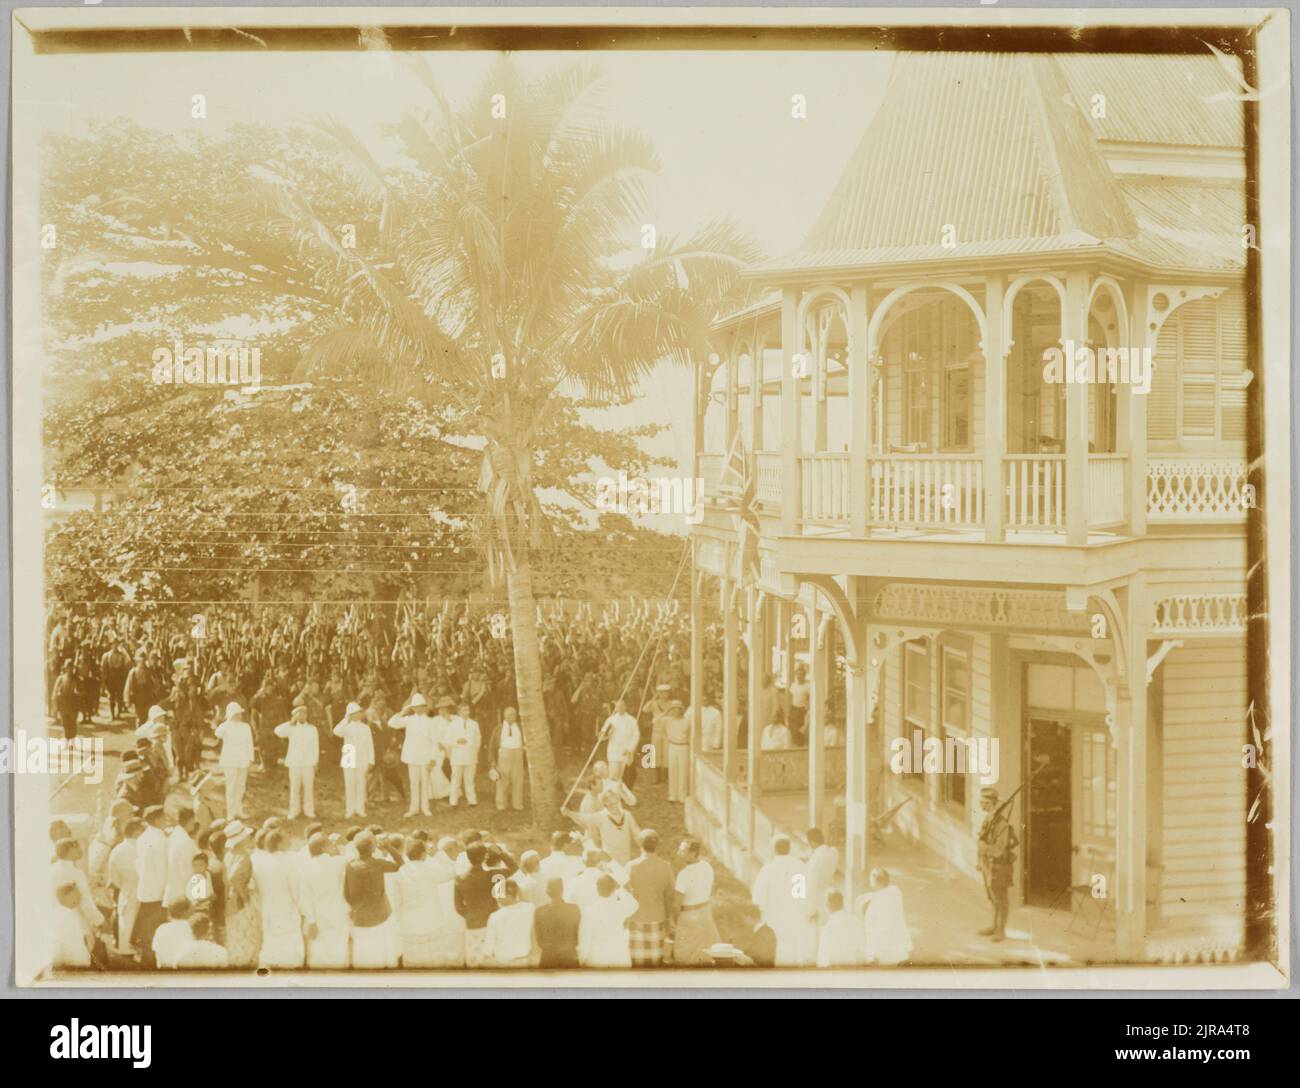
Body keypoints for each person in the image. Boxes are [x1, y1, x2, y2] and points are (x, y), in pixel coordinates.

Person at [750, 836, 816, 967]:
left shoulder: (768, 869)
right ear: (789, 849)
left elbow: (758, 898)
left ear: (774, 850)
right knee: (793, 949)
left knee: (777, 948)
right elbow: (801, 894)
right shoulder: (799, 867)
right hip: (794, 915)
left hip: (774, 916)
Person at [343, 831, 399, 969]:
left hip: (360, 918)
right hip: (380, 917)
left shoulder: (350, 866)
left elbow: (347, 893)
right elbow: (400, 864)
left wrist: (356, 907)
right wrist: (389, 847)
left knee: (363, 955)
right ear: (374, 848)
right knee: (381, 954)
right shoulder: (378, 864)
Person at [253, 830, 306, 968]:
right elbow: (296, 890)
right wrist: (302, 908)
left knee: (272, 942)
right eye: (286, 839)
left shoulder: (260, 862)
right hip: (286, 908)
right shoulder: (288, 862)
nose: (289, 842)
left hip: (268, 909)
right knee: (289, 942)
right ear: (279, 844)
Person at [298, 833, 351, 969]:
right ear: (323, 848)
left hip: (318, 915)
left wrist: (311, 921)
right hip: (337, 914)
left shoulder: (305, 868)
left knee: (318, 950)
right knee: (339, 950)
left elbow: (305, 898)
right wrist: (344, 843)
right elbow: (355, 856)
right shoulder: (337, 862)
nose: (333, 846)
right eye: (329, 844)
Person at [625, 830, 675, 967]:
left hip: (635, 918)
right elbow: (670, 895)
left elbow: (623, 894)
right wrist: (668, 917)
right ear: (657, 845)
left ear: (640, 845)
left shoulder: (631, 866)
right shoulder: (666, 866)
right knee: (655, 962)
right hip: (657, 917)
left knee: (636, 961)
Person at [976, 786, 1017, 942]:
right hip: (988, 865)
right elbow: (981, 839)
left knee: (1001, 899)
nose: (980, 805)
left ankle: (1001, 930)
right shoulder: (988, 820)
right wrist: (979, 860)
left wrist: (984, 849)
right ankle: (993, 926)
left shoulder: (1002, 825)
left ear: (991, 803)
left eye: (983, 802)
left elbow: (999, 850)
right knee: (992, 898)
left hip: (999, 866)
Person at [564, 789, 641, 867]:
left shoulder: (627, 815)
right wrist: (569, 813)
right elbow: (584, 819)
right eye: (610, 804)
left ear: (618, 801)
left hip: (625, 855)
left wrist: (644, 846)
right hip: (609, 857)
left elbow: (636, 832)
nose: (614, 806)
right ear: (605, 805)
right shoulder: (601, 816)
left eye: (615, 803)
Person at [672, 839, 720, 965]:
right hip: (705, 913)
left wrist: (674, 921)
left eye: (682, 851)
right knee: (710, 954)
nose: (678, 853)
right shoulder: (707, 866)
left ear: (693, 853)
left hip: (689, 916)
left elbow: (677, 903)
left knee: (685, 956)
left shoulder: (684, 875)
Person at [388, 692, 436, 817]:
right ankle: (413, 808)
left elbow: (434, 741)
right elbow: (391, 723)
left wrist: (432, 757)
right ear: (412, 708)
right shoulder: (409, 720)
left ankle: (425, 807)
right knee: (413, 782)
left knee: (425, 782)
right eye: (415, 707)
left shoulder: (430, 722)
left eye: (421, 706)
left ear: (425, 707)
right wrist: (403, 711)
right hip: (412, 755)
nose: (418, 709)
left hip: (425, 755)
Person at [133, 806, 170, 967]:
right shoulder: (161, 840)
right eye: (164, 817)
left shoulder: (142, 837)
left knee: (146, 928)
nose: (167, 820)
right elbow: (163, 869)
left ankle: (146, 957)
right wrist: (166, 891)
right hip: (157, 892)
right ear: (156, 820)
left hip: (145, 889)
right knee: (154, 930)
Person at [223, 821, 262, 968]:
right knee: (247, 934)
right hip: (240, 901)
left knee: (235, 935)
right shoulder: (244, 856)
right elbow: (234, 877)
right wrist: (245, 897)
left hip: (230, 900)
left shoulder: (229, 854)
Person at [578, 874, 637, 968]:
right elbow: (634, 904)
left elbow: (585, 939)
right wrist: (619, 888)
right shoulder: (620, 906)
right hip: (619, 956)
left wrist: (581, 960)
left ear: (597, 889)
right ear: (613, 889)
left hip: (596, 958)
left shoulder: (590, 910)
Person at [275, 699, 321, 819]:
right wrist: (290, 722)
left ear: (307, 715)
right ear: (295, 715)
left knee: (308, 787)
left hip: (308, 763)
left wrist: (315, 762)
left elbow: (315, 747)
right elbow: (278, 731)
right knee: (295, 787)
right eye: (299, 713)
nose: (302, 715)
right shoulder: (291, 728)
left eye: (304, 713)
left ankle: (309, 810)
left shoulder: (312, 729)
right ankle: (294, 810)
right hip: (294, 762)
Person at [859, 868, 912, 965]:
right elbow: (883, 893)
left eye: (871, 879)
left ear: (875, 882)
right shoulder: (896, 891)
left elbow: (870, 930)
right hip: (900, 948)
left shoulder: (874, 905)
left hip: (884, 951)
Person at [107, 818, 144, 955]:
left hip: (125, 890)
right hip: (142, 889)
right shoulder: (142, 848)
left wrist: (124, 886)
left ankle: (125, 952)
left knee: (125, 923)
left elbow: (113, 877)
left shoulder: (116, 850)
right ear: (137, 831)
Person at [482, 880, 538, 967]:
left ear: (508, 896)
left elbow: (488, 949)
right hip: (524, 961)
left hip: (502, 963)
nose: (497, 898)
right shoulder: (530, 908)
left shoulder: (494, 917)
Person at [334, 702, 374, 819]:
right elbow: (336, 732)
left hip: (362, 758)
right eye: (354, 713)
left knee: (361, 784)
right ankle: (350, 809)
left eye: (359, 713)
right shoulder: (346, 727)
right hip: (349, 757)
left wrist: (371, 760)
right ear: (350, 715)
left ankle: (360, 809)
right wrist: (346, 719)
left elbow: (369, 744)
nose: (357, 715)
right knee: (349, 784)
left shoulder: (366, 728)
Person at [215, 702, 254, 819]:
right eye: (236, 714)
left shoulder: (245, 727)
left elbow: (249, 743)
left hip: (243, 760)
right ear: (231, 715)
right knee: (231, 786)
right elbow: (217, 733)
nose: (239, 716)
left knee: (241, 786)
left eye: (240, 714)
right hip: (230, 761)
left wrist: (251, 758)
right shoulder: (226, 727)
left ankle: (239, 810)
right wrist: (228, 720)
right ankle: (230, 813)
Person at [533, 877, 581, 968]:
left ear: (547, 892)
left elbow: (539, 940)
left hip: (548, 957)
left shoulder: (539, 911)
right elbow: (577, 935)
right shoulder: (574, 909)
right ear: (562, 890)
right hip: (569, 956)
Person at [489, 706, 526, 812]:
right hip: (504, 756)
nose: (512, 717)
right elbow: (492, 746)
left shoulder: (520, 727)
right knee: (502, 781)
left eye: (514, 714)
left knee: (518, 780)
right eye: (509, 714)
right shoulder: (498, 728)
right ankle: (501, 805)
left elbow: (526, 742)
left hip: (518, 756)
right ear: (504, 716)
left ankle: (518, 804)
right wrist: (493, 762)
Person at [445, 700, 481, 807]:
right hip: (457, 756)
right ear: (459, 712)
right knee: (456, 780)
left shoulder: (474, 724)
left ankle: (472, 800)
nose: (467, 712)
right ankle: (453, 802)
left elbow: (478, 739)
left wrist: (475, 751)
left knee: (470, 779)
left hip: (471, 756)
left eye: (468, 710)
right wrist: (457, 741)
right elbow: (446, 740)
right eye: (464, 710)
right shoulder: (453, 724)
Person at [163, 807, 200, 909]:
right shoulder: (185, 841)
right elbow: (187, 871)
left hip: (174, 892)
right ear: (190, 819)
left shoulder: (174, 836)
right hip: (182, 895)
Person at [816, 890, 865, 967]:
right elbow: (864, 953)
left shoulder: (827, 929)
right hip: (856, 973)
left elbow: (823, 961)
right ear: (843, 904)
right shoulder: (857, 923)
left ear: (827, 906)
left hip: (837, 975)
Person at [51, 883, 92, 969]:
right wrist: (84, 959)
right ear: (68, 897)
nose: (80, 897)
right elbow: (75, 944)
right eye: (77, 894)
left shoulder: (57, 913)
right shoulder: (70, 915)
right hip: (72, 962)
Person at [804, 828, 839, 927]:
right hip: (830, 894)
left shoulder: (815, 861)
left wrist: (811, 910)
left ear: (811, 842)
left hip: (817, 899)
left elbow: (811, 884)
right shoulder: (833, 853)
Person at [600, 699, 639, 783]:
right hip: (613, 751)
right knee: (613, 776)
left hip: (626, 752)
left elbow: (636, 736)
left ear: (626, 707)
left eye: (622, 706)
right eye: (618, 706)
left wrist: (630, 749)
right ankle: (613, 794)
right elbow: (602, 736)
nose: (620, 708)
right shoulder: (611, 720)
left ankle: (623, 795)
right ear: (616, 708)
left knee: (626, 778)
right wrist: (606, 734)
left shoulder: (632, 720)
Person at [152, 900, 195, 969]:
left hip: (163, 970)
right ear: (185, 912)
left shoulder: (161, 928)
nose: (193, 912)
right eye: (192, 909)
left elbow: (156, 951)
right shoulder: (191, 928)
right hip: (183, 971)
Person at [662, 700, 690, 803]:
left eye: (677, 709)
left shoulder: (687, 720)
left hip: (683, 747)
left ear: (681, 710)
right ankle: (672, 794)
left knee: (683, 770)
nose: (675, 711)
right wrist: (667, 710)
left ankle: (682, 795)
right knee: (672, 770)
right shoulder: (668, 719)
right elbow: (656, 720)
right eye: (673, 709)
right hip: (672, 746)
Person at [788, 664, 810, 743]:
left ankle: (799, 744)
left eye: (801, 674)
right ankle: (794, 744)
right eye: (797, 674)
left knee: (800, 730)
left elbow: (810, 699)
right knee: (792, 728)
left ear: (804, 675)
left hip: (802, 710)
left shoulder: (807, 686)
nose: (799, 676)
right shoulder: (793, 685)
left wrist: (808, 709)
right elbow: (790, 697)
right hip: (794, 709)